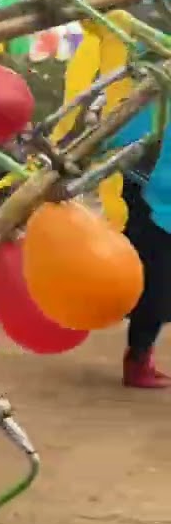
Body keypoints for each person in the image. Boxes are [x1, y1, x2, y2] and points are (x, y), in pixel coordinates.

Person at [121, 147, 170, 388]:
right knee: (157, 277)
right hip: (153, 190)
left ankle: (141, 356)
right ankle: (138, 359)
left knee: (155, 275)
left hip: (143, 180)